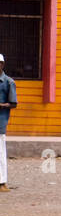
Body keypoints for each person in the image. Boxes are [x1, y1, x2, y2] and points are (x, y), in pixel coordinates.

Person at [0, 54, 15, 193]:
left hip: (0, 122)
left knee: (0, 153)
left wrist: (2, 105)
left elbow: (13, 103)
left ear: (2, 64)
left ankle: (2, 182)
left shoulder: (8, 82)